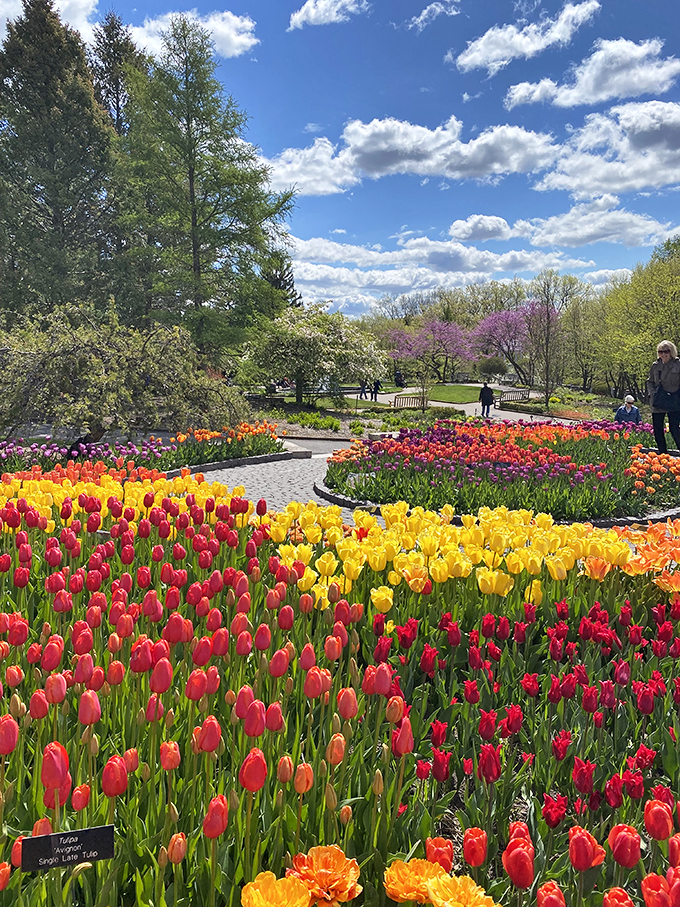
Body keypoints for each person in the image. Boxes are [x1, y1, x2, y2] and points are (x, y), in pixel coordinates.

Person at [647, 340, 680, 453]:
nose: (663, 354)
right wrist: (652, 394)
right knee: (658, 429)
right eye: (661, 351)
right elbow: (650, 381)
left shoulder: (678, 364)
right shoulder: (656, 366)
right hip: (659, 399)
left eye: (666, 351)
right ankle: (662, 454)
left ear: (671, 352)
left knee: (674, 428)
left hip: (674, 399)